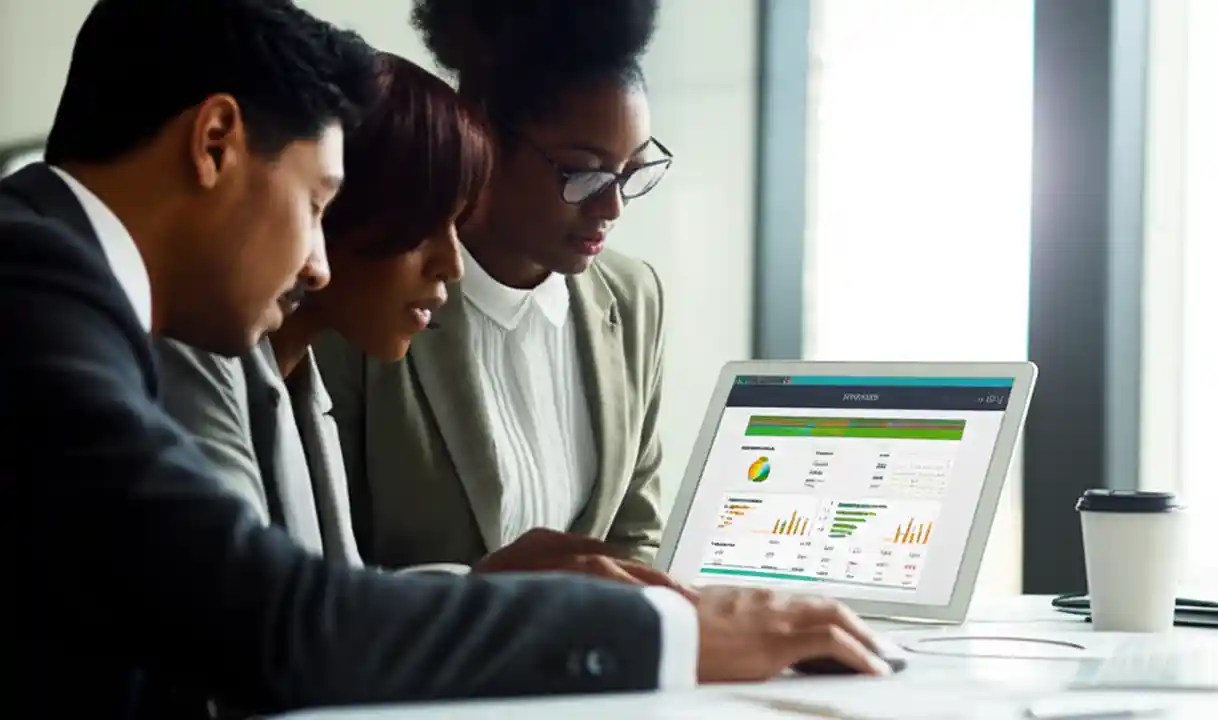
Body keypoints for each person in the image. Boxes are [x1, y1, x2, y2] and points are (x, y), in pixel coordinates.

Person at [0, 0, 890, 716]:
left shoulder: (82, 288)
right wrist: (672, 633)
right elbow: (276, 623)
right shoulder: (33, 281)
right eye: (317, 203)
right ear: (215, 142)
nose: (319, 263)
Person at [156, 51, 675, 588]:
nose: (451, 266)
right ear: (331, 212)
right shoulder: (201, 369)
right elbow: (280, 618)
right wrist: (493, 595)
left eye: (633, 171)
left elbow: (327, 592)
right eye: (583, 171)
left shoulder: (301, 385)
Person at [315, 0, 674, 570]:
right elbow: (323, 567)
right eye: (583, 172)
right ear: (481, 132)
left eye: (632, 171)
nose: (613, 206)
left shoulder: (631, 297)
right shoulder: (374, 294)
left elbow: (635, 534)